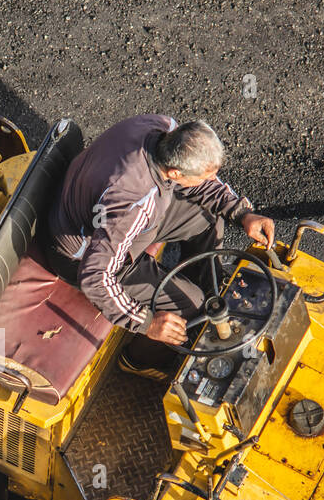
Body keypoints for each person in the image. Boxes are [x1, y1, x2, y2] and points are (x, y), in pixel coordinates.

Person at [43, 115, 275, 380]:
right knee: (194, 309)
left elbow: (200, 190)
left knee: (208, 219)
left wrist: (241, 213)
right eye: (206, 176)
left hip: (113, 221)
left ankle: (210, 286)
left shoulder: (161, 127)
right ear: (175, 174)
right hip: (84, 255)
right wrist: (147, 323)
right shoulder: (133, 203)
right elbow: (95, 277)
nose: (212, 179)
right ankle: (140, 359)